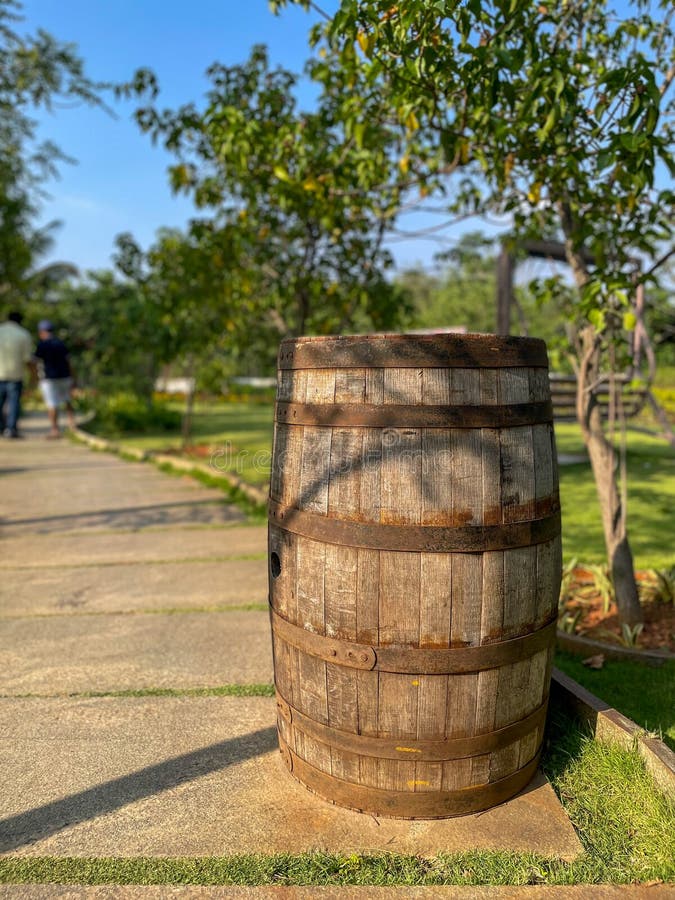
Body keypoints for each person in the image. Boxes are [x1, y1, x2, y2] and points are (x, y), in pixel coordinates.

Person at [34, 320, 76, 438]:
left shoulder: (42, 345)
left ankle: (55, 429)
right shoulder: (60, 343)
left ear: (41, 332)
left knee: (52, 404)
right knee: (67, 400)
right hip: (65, 376)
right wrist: (73, 378)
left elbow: (35, 362)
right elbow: (69, 362)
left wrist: (34, 378)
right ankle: (72, 424)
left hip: (49, 379)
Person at [0, 311, 33, 438]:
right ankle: (11, 429)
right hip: (15, 375)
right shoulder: (23, 334)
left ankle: (2, 427)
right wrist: (33, 377)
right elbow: (27, 359)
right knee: (13, 403)